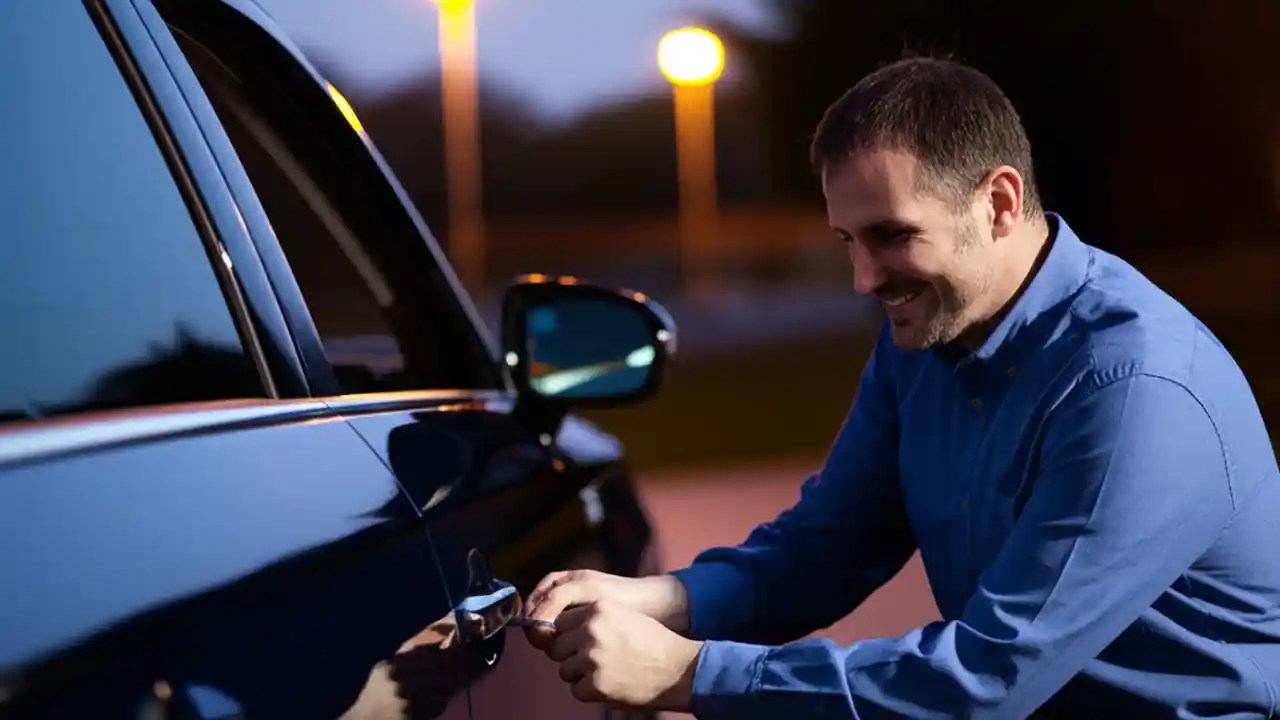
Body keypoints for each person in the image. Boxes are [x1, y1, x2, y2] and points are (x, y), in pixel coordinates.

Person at [520, 57, 1280, 718]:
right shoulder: (924, 340)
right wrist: (658, 600)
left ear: (1000, 203)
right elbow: (823, 550)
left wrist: (686, 673)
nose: (862, 279)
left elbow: (984, 680)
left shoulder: (1134, 389)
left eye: (892, 235)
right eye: (848, 242)